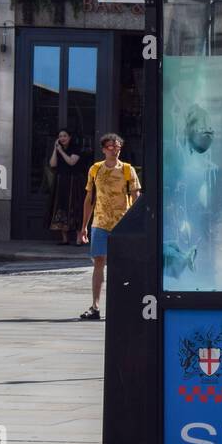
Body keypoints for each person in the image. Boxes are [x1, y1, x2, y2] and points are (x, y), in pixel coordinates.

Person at [78, 133, 141, 320]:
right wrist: (84, 226)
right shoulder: (95, 169)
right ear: (104, 149)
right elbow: (89, 198)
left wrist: (136, 224)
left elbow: (136, 198)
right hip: (100, 222)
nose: (115, 150)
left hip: (122, 224)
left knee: (123, 264)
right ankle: (95, 306)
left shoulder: (128, 170)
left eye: (118, 146)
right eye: (111, 147)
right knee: (98, 262)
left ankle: (123, 305)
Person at [45, 129, 84, 245]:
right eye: (60, 136)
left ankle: (79, 239)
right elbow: (52, 164)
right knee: (61, 207)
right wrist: (55, 149)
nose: (62, 138)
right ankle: (65, 239)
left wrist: (61, 151)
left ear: (70, 137)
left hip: (74, 181)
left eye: (64, 136)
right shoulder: (58, 149)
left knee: (75, 207)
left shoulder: (75, 149)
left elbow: (71, 162)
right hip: (61, 181)